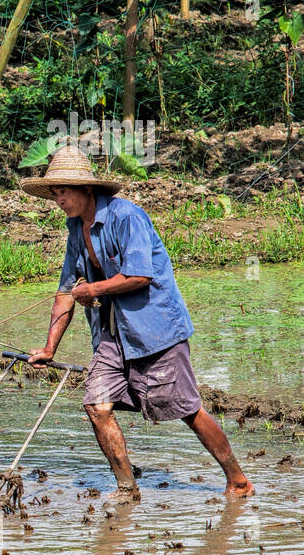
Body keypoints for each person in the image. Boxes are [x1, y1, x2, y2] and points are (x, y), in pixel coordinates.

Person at [21, 145, 254, 500]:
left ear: (87, 189)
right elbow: (66, 291)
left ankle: (238, 480)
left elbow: (140, 275)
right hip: (111, 333)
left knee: (186, 409)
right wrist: (49, 346)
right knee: (97, 407)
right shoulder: (74, 230)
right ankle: (128, 489)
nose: (59, 200)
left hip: (155, 330)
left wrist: (93, 288)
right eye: (54, 193)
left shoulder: (126, 217)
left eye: (64, 191)